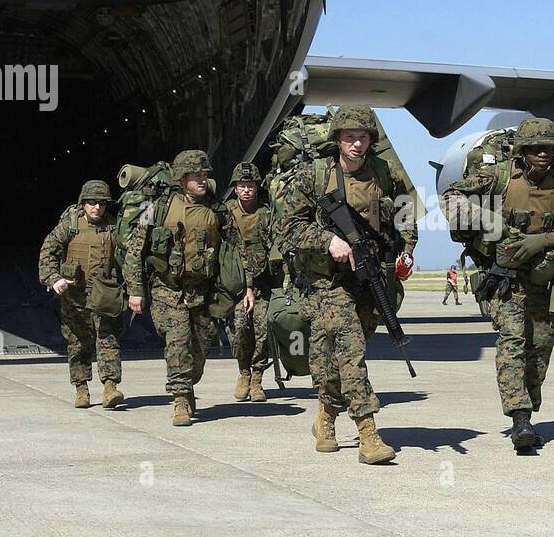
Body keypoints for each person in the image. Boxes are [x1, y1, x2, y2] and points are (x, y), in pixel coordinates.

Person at [441, 118, 554, 453]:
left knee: (539, 346)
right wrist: (492, 225)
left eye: (548, 148)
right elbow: (451, 197)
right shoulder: (495, 176)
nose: (543, 154)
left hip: (543, 277)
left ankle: (528, 406)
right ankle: (520, 418)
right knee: (512, 339)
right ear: (521, 152)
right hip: (503, 276)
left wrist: (544, 240)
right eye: (535, 148)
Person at [275, 107, 418, 464]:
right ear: (337, 138)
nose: (357, 144)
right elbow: (286, 227)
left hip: (368, 277)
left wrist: (408, 249)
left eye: (364, 137)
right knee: (350, 347)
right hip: (327, 280)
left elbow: (404, 210)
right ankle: (368, 433)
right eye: (350, 137)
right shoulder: (315, 175)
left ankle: (325, 412)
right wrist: (327, 241)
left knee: (335, 356)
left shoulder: (384, 172)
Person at [124, 150, 226, 427]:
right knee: (178, 343)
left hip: (202, 292)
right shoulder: (154, 209)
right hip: (168, 289)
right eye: (196, 176)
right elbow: (135, 251)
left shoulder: (216, 210)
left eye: (205, 175)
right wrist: (136, 290)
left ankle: (188, 384)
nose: (202, 180)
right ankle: (180, 399)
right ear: (182, 179)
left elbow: (229, 252)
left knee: (201, 346)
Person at [38, 180, 126, 409]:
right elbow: (48, 251)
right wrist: (54, 278)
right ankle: (81, 388)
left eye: (101, 203)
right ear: (83, 203)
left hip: (103, 292)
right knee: (78, 342)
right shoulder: (70, 225)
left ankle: (110, 387)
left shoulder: (113, 227)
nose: (96, 207)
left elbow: (127, 257)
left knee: (108, 340)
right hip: (75, 295)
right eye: (91, 203)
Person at [225, 162, 274, 402]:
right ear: (235, 188)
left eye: (250, 185)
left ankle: (257, 378)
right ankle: (243, 372)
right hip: (236, 286)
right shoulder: (226, 213)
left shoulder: (267, 214)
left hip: (263, 284)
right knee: (239, 330)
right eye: (242, 185)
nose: (246, 190)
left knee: (263, 330)